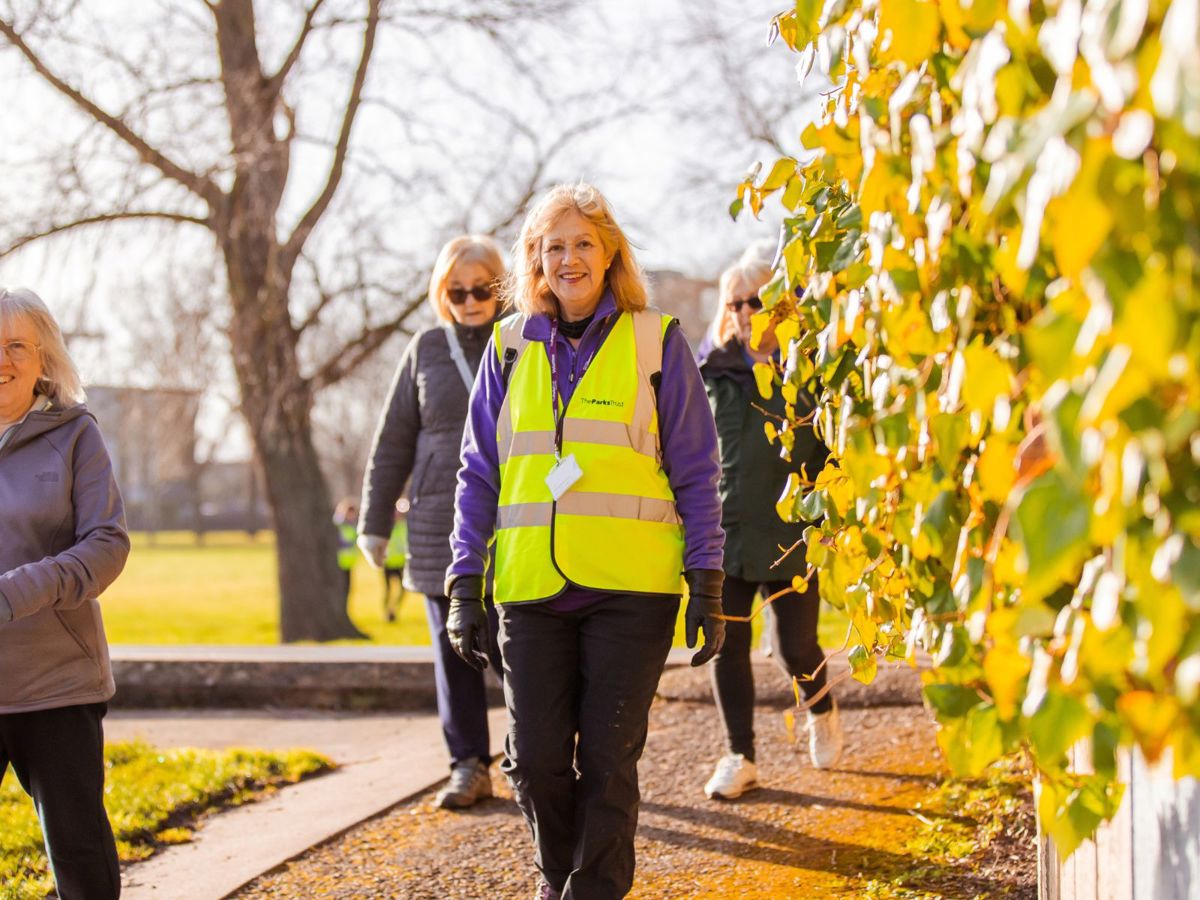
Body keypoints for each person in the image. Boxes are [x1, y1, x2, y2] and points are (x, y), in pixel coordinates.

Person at [445, 183, 726, 900]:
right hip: (531, 586)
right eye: (552, 246)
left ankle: (591, 891)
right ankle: (556, 876)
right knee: (535, 759)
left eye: (582, 244)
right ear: (534, 260)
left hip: (632, 588)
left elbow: (696, 468)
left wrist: (708, 577)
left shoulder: (656, 341)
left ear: (609, 255)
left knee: (608, 757)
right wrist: (462, 584)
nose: (567, 259)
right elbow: (479, 471)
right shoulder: (507, 349)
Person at [358, 235, 505, 809]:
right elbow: (393, 439)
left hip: (512, 523)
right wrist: (374, 522)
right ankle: (468, 763)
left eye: (482, 288)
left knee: (522, 650)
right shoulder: (425, 349)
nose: (469, 300)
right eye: (456, 290)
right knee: (453, 653)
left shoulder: (524, 340)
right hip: (436, 529)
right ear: (442, 294)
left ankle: (531, 755)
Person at [697, 247, 844, 802]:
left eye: (757, 300)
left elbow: (832, 454)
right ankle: (740, 755)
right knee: (726, 644)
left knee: (795, 648)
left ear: (783, 306)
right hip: (725, 533)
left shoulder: (810, 374)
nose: (745, 312)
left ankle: (822, 708)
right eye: (735, 302)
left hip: (791, 537)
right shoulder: (711, 375)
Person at [0, 287, 131, 900]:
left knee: (79, 857)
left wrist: (18, 592)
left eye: (15, 345)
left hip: (55, 682)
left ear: (43, 354)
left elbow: (107, 543)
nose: (2, 359)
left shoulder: (76, 434)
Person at [382, 504, 408, 623]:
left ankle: (394, 610)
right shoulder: (388, 526)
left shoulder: (404, 526)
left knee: (403, 589)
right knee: (388, 589)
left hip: (400, 563)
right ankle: (387, 611)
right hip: (388, 563)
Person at [333, 498, 359, 606]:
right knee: (339, 588)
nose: (351, 516)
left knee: (347, 588)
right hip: (338, 562)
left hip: (349, 562)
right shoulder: (339, 525)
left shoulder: (354, 526)